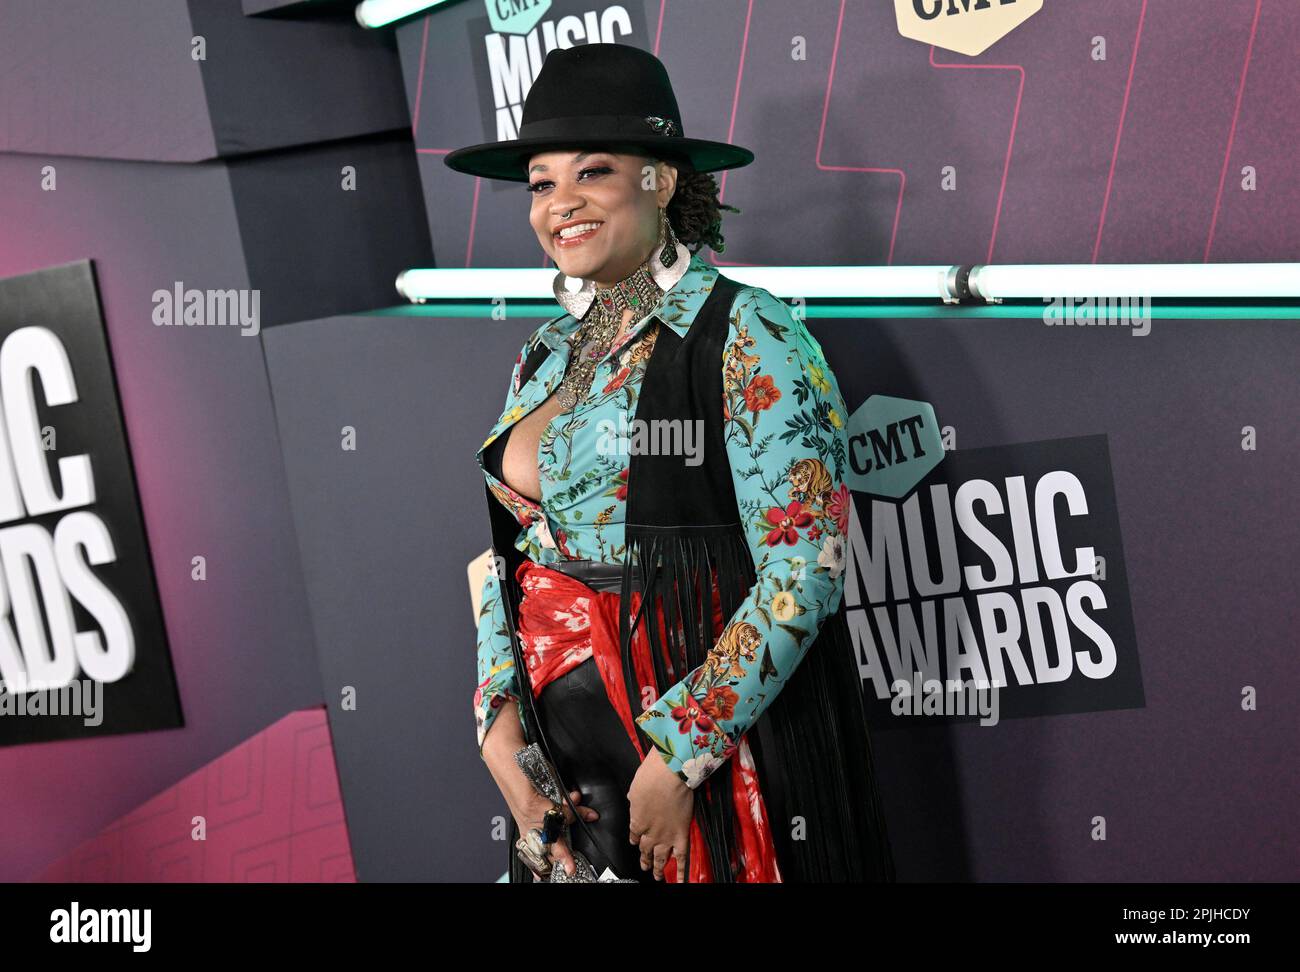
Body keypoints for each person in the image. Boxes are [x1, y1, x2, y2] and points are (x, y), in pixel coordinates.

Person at [445, 43, 894, 883]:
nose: (560, 205)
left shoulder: (748, 334)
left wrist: (679, 754)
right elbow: (517, 559)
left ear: (662, 181)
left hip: (704, 771)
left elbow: (808, 566)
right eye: (542, 183)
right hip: (568, 775)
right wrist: (500, 735)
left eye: (594, 173)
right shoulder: (542, 354)